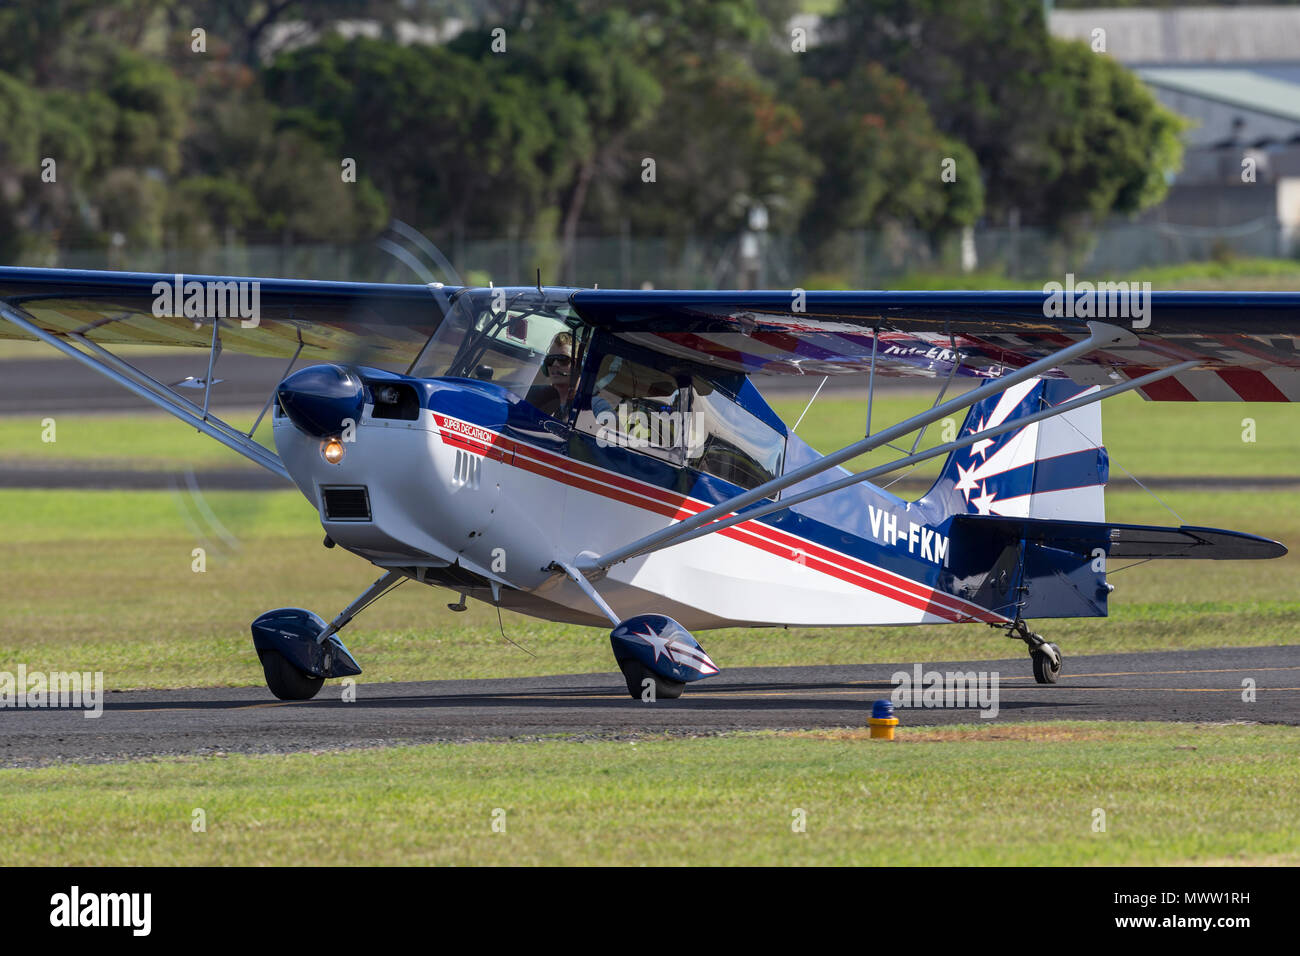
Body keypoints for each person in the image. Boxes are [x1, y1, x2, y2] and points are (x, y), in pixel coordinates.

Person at [525, 332, 575, 418]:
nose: (555, 364)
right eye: (551, 359)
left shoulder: (590, 406)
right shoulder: (535, 394)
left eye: (563, 359)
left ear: (578, 366)